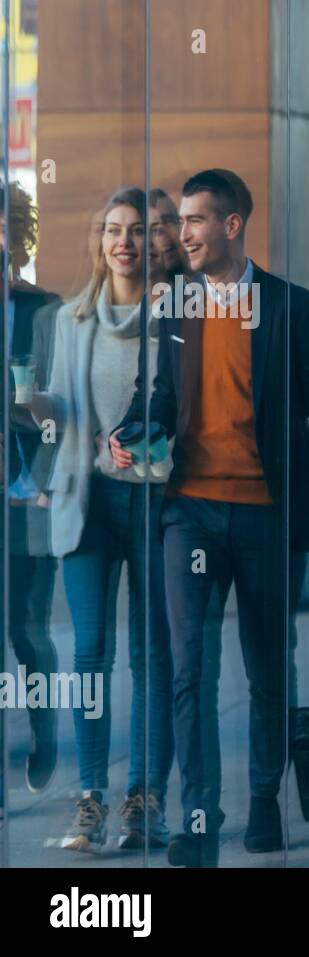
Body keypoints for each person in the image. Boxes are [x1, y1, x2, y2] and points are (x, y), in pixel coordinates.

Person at [111, 169, 309, 867]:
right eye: (180, 220)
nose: (181, 233)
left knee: (267, 669)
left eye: (195, 220)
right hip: (187, 512)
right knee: (189, 671)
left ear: (232, 224)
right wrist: (127, 435)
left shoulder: (291, 307)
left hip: (269, 518)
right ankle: (199, 817)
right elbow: (154, 398)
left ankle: (262, 799)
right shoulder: (174, 306)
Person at [21, 188, 189, 853]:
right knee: (92, 653)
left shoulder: (179, 315)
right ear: (100, 241)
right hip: (87, 501)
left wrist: (154, 443)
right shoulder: (72, 318)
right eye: (115, 230)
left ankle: (145, 801)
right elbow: (65, 409)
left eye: (143, 231)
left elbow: (193, 409)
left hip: (157, 501)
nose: (127, 242)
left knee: (153, 656)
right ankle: (90, 797)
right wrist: (37, 404)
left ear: (162, 243)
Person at [2, 181, 62, 796]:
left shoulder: (46, 311)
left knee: (28, 632)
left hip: (26, 498)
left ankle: (45, 735)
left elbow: (62, 413)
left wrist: (40, 483)